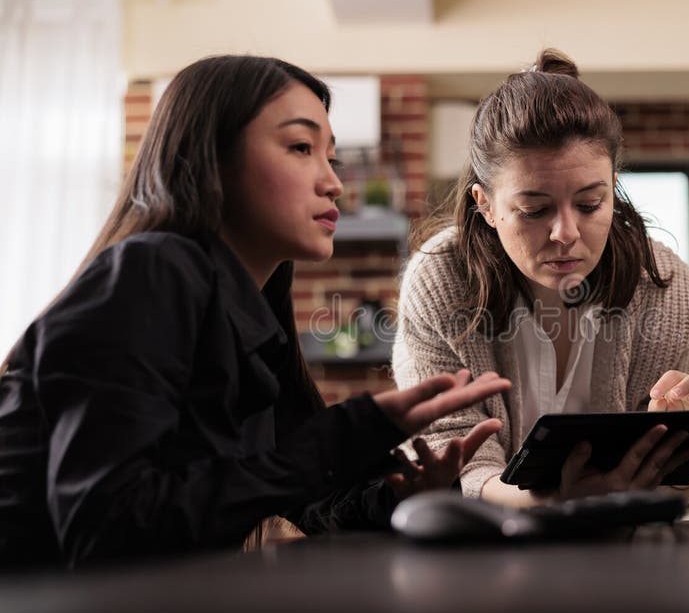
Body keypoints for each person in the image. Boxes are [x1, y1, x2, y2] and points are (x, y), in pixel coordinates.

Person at [0, 55, 509, 568]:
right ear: (212, 158)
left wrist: (403, 493)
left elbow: (292, 500)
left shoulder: (249, 316)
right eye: (301, 148)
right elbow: (108, 531)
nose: (333, 182)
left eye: (330, 157)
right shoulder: (151, 271)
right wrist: (344, 435)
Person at [392, 48, 689, 508]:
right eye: (535, 210)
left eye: (591, 204)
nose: (566, 233)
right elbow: (448, 446)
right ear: (485, 205)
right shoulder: (440, 278)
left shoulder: (665, 285)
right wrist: (550, 504)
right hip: (479, 552)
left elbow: (663, 483)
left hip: (620, 550)